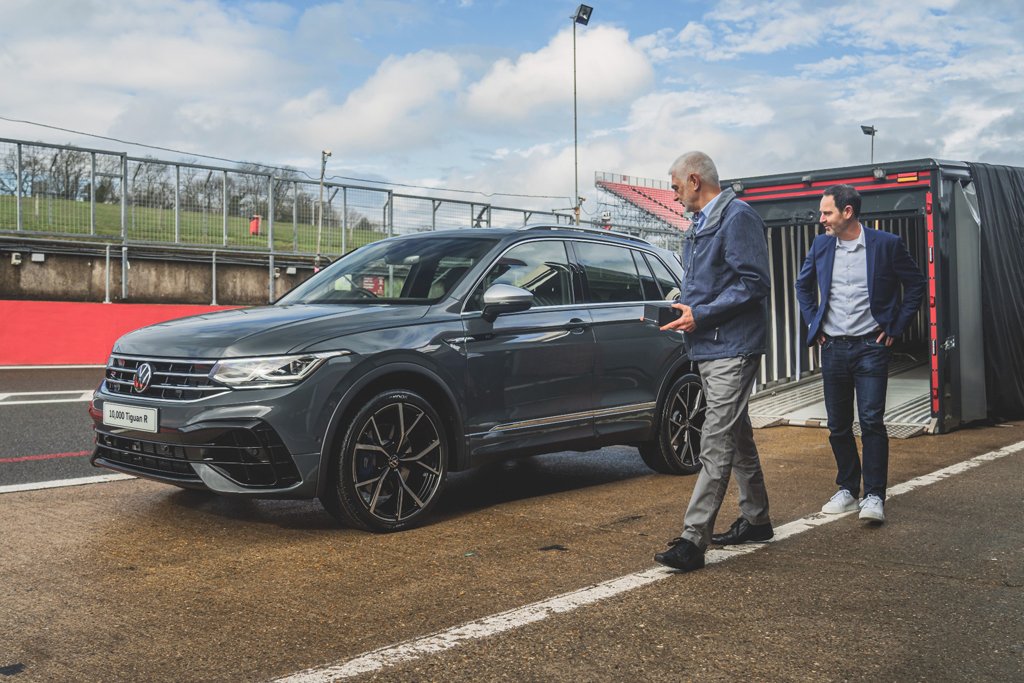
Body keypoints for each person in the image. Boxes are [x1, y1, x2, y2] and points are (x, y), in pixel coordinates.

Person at [653, 151, 774, 573]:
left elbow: (755, 283)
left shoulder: (737, 216)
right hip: (709, 345)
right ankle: (757, 519)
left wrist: (701, 314)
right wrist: (685, 307)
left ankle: (693, 539)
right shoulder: (699, 224)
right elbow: (714, 283)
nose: (673, 195)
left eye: (674, 187)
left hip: (732, 346)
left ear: (694, 180)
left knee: (715, 440)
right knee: (735, 435)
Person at [795, 184, 926, 524]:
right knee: (838, 425)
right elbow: (802, 286)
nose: (821, 219)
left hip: (871, 347)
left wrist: (895, 328)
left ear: (847, 213)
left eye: (827, 213)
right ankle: (848, 489)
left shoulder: (887, 245)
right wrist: (815, 324)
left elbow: (916, 285)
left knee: (871, 422)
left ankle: (874, 496)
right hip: (833, 347)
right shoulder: (821, 245)